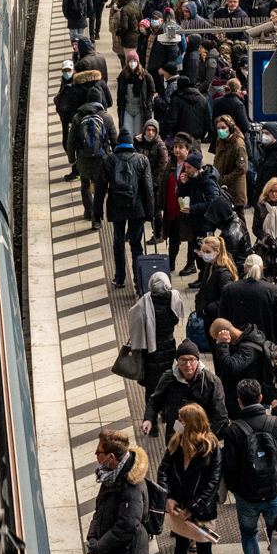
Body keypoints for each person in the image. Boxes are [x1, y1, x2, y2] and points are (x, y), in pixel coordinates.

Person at [223, 376, 277, 554]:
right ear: (261, 398)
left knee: (248, 534)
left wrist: (237, 491)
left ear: (239, 402)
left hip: (247, 497)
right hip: (276, 493)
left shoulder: (234, 431)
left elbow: (230, 467)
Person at [160, 402, 223, 554]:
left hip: (200, 512)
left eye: (181, 420)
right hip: (178, 507)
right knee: (180, 545)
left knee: (204, 552)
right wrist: (168, 497)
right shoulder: (176, 442)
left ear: (191, 422)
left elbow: (213, 483)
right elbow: (163, 471)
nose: (177, 422)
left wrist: (193, 509)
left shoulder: (210, 448)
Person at [147, 341, 229, 438]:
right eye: (183, 360)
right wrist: (148, 419)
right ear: (177, 361)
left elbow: (220, 414)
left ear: (198, 361)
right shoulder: (169, 378)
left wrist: (205, 435)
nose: (188, 364)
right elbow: (155, 401)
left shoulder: (211, 381)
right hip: (175, 435)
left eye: (191, 359)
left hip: (201, 437)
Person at [103, 129, 152, 290]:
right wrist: (150, 212)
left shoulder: (109, 159)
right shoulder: (142, 159)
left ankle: (120, 277)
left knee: (118, 241)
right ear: (131, 143)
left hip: (116, 206)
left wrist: (96, 212)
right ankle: (138, 280)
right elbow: (148, 188)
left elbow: (100, 186)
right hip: (136, 207)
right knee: (136, 244)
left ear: (118, 143)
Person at [126, 268, 184, 397]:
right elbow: (177, 318)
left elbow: (133, 317)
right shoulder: (174, 298)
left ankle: (150, 413)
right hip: (169, 346)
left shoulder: (144, 302)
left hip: (150, 350)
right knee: (167, 382)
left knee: (151, 387)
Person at [221, 253, 277, 344]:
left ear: (245, 268)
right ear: (262, 269)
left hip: (238, 346)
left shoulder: (229, 289)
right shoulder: (274, 291)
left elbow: (223, 320)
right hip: (267, 346)